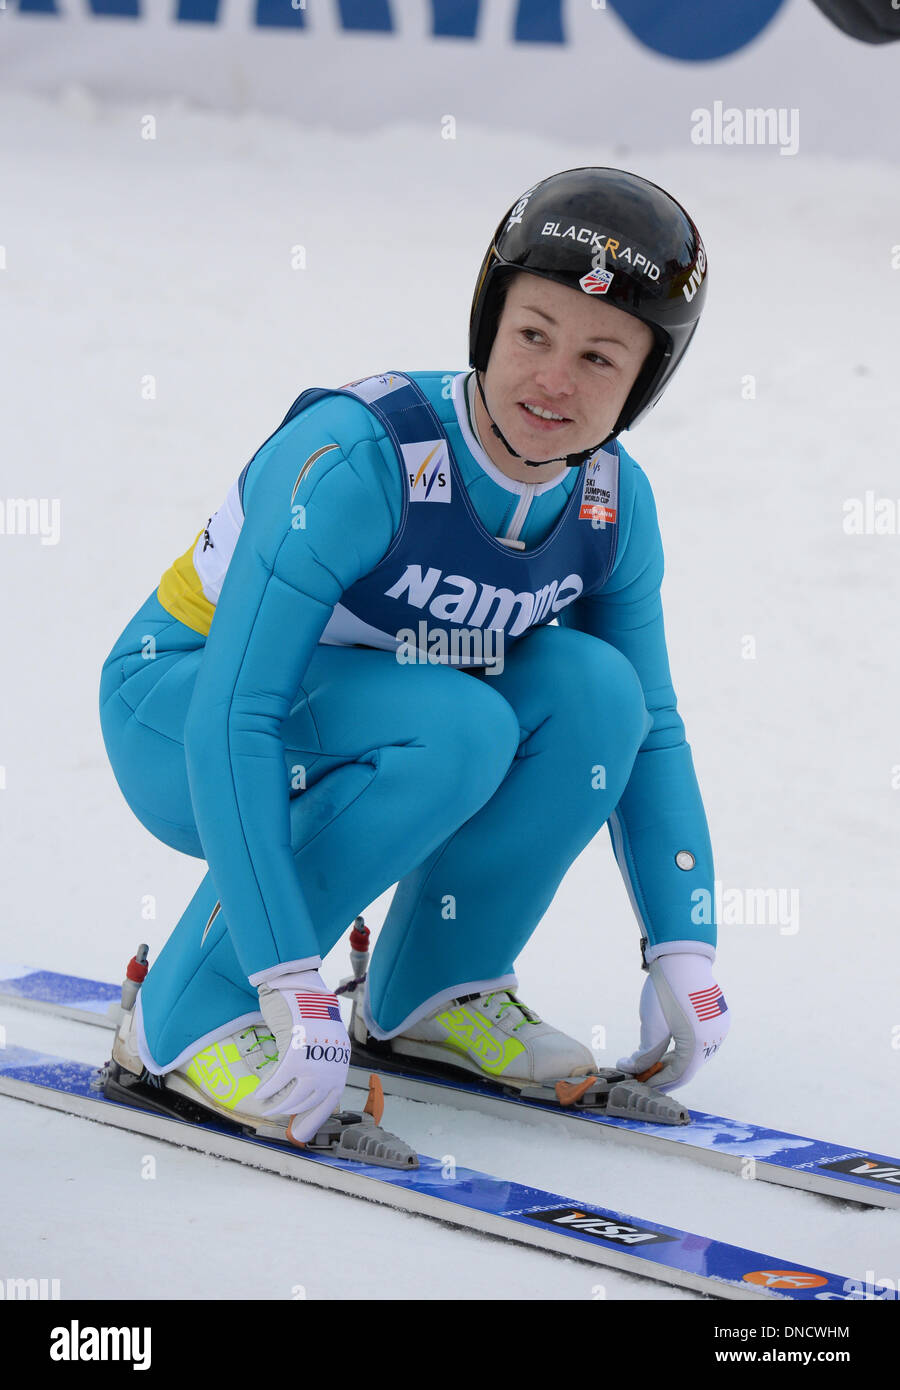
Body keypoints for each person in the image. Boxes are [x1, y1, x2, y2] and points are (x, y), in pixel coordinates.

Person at [99, 167, 729, 1144]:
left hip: (377, 711)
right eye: (533, 335)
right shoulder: (362, 458)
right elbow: (237, 712)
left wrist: (686, 943)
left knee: (596, 693)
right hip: (179, 707)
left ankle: (437, 984)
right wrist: (278, 971)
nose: (556, 380)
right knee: (458, 724)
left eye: (601, 357)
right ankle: (185, 1015)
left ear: (645, 382)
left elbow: (649, 734)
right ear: (488, 324)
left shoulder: (610, 501)